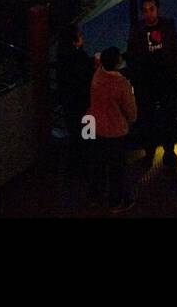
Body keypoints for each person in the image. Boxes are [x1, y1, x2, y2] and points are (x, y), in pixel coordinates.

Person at [126, 0, 177, 167]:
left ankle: (167, 151)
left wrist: (173, 72)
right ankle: (151, 151)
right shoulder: (138, 30)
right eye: (145, 11)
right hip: (146, 82)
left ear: (157, 9)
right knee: (148, 118)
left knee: (167, 116)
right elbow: (132, 55)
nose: (149, 14)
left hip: (165, 80)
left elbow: (174, 50)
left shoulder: (166, 25)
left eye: (151, 9)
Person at [87, 46, 137, 212]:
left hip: (96, 126)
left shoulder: (97, 75)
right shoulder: (121, 83)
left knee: (98, 164)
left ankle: (95, 196)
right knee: (117, 168)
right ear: (117, 62)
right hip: (115, 130)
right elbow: (131, 110)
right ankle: (116, 202)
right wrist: (131, 120)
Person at [57, 24, 94, 180]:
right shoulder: (80, 57)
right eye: (79, 35)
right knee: (89, 136)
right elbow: (89, 79)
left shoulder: (62, 58)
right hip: (85, 104)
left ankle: (74, 170)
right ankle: (90, 169)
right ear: (75, 40)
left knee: (76, 135)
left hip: (70, 104)